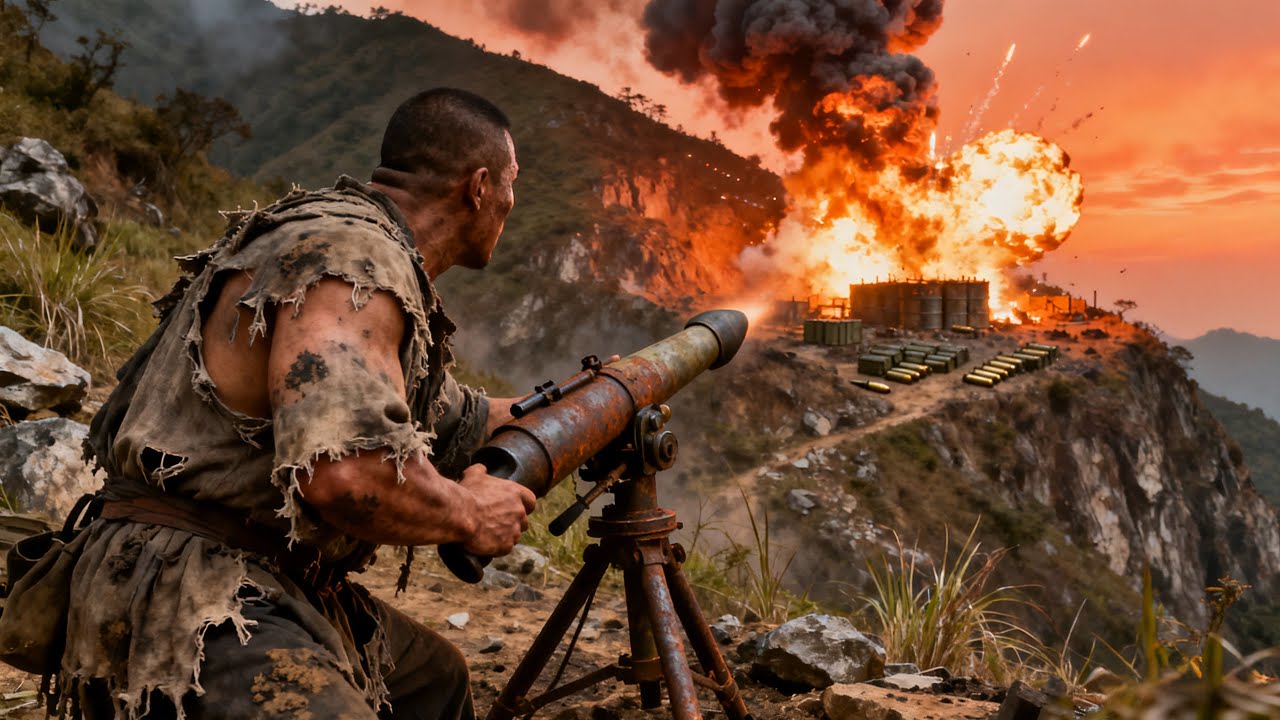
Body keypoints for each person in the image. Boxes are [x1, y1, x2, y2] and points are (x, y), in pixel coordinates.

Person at [3, 88, 536, 719]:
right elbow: (347, 476)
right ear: (478, 186)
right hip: (191, 586)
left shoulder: (335, 243)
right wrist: (472, 515)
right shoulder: (354, 264)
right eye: (510, 184)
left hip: (256, 570)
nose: (510, 201)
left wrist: (603, 396)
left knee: (433, 681)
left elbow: (464, 419)